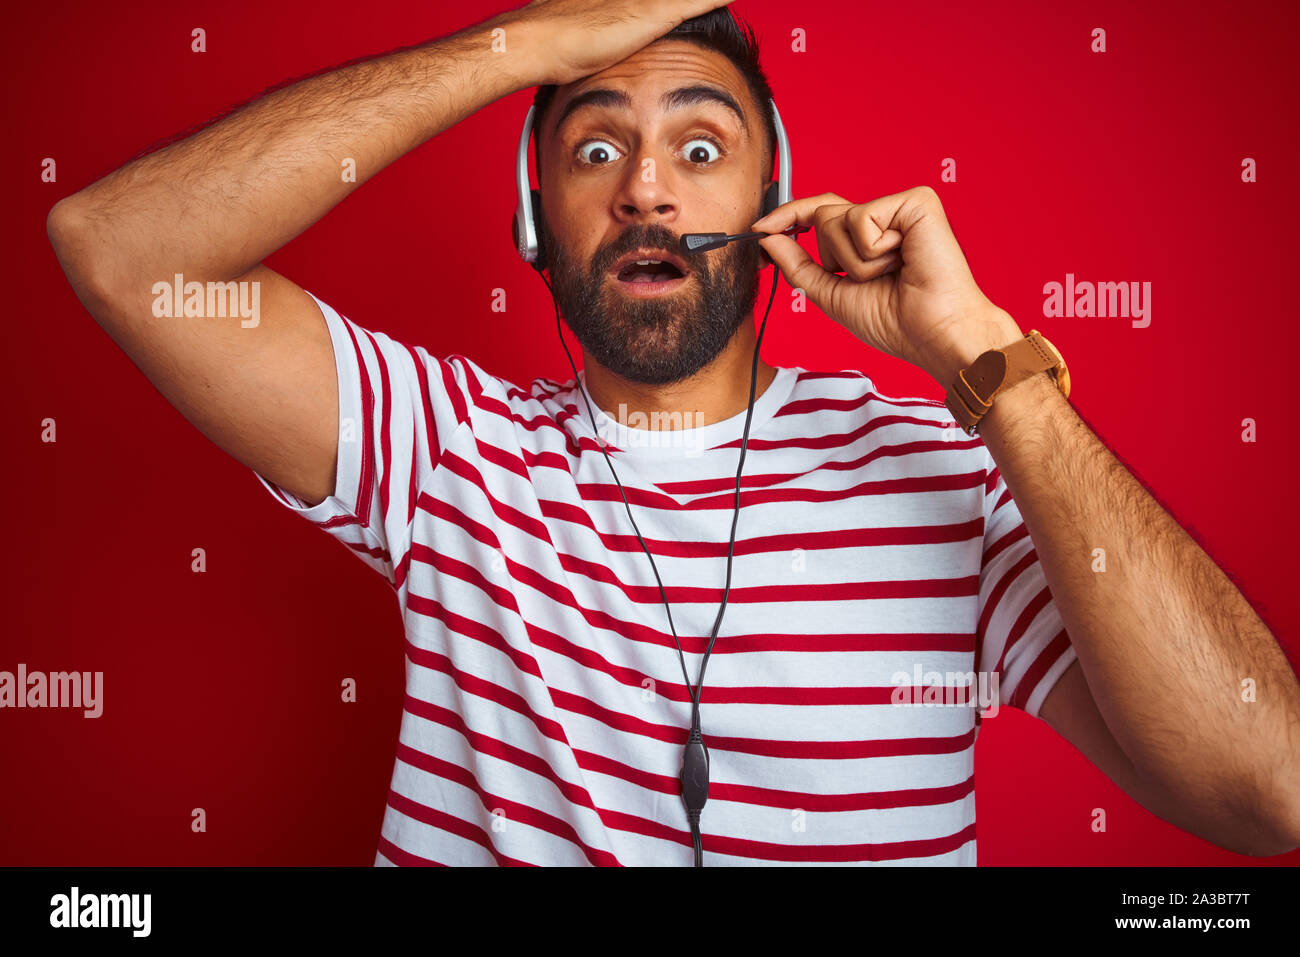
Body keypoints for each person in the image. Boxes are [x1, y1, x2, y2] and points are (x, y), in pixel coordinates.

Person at [46, 0, 1300, 866]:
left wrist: (986, 363)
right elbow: (119, 248)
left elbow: (1263, 791)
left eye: (700, 147)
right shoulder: (440, 451)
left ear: (773, 201)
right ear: (537, 224)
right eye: (595, 147)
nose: (647, 187)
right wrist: (522, 45)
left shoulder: (941, 468)